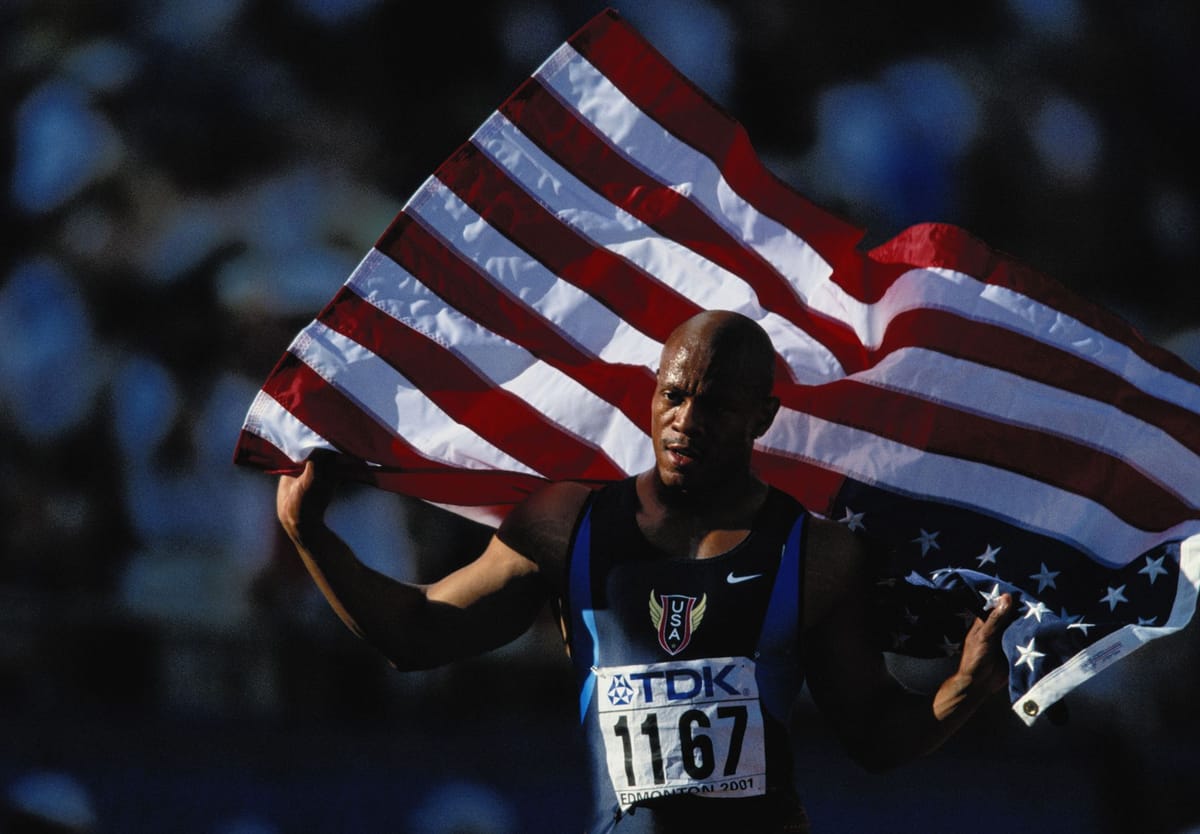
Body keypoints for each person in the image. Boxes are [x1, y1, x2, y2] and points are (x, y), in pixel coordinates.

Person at [276, 310, 1016, 833]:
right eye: (673, 396)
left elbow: (875, 737)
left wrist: (959, 692)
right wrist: (310, 535)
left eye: (717, 406)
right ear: (651, 394)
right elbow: (419, 633)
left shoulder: (814, 552)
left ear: (763, 417)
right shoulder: (565, 524)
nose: (685, 422)